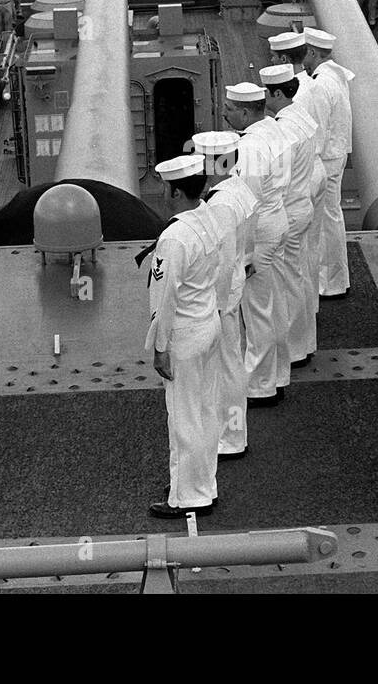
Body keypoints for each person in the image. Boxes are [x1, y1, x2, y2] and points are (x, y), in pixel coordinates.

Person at [139, 154, 225, 517]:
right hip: (209, 324)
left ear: (175, 191)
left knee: (184, 417)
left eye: (164, 186)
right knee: (207, 411)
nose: (162, 192)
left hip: (185, 336)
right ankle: (204, 484)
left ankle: (188, 496)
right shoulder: (209, 217)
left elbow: (164, 298)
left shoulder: (174, 237)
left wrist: (160, 348)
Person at [225, 82, 291, 406]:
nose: (224, 114)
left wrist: (246, 252)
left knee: (256, 312)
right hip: (278, 220)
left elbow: (247, 201)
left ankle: (260, 385)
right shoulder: (275, 131)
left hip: (260, 231)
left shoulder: (250, 146)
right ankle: (277, 375)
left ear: (246, 111)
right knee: (274, 306)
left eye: (230, 109)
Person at [193, 132, 256, 460]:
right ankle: (233, 433)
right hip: (235, 284)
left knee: (224, 366)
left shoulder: (219, 203)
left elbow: (222, 258)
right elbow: (246, 246)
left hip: (221, 294)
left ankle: (230, 438)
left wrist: (213, 308)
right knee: (231, 361)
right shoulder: (238, 188)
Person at [261, 64, 322, 369]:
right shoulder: (303, 117)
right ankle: (305, 342)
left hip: (288, 210)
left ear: (276, 93)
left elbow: (278, 180)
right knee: (299, 277)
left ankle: (296, 349)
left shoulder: (283, 128)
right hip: (303, 205)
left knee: (287, 283)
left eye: (266, 92)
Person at [302, 29, 353, 299]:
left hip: (326, 159)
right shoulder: (336, 74)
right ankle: (336, 278)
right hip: (337, 154)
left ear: (313, 52)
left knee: (325, 221)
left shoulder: (321, 84)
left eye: (305, 54)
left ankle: (330, 283)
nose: (303, 60)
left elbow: (318, 131)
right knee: (332, 218)